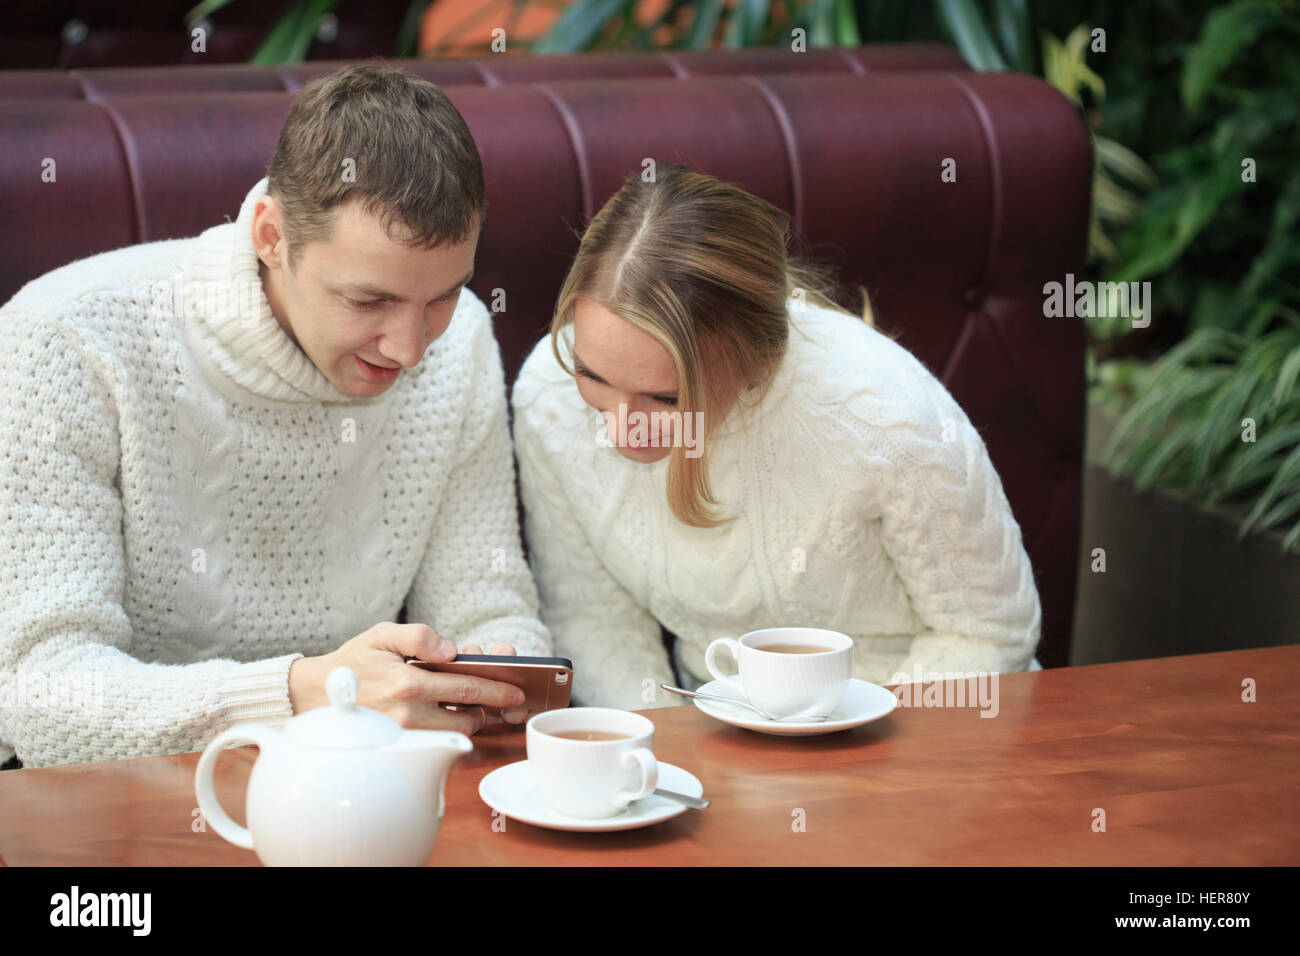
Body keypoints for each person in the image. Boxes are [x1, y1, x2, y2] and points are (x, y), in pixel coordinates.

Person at [0, 65, 550, 769]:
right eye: (366, 301)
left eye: (441, 296)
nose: (411, 349)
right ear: (270, 235)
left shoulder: (462, 337)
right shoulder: (65, 342)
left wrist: (501, 676)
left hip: (369, 784)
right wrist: (298, 697)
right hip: (120, 801)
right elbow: (40, 696)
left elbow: (488, 608)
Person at [511, 162, 1042, 711]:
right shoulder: (547, 398)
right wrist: (662, 749)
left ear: (757, 360)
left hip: (919, 728)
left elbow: (988, 633)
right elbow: (592, 615)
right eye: (592, 376)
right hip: (720, 732)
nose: (620, 427)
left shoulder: (887, 418)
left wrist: (861, 760)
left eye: (665, 398)